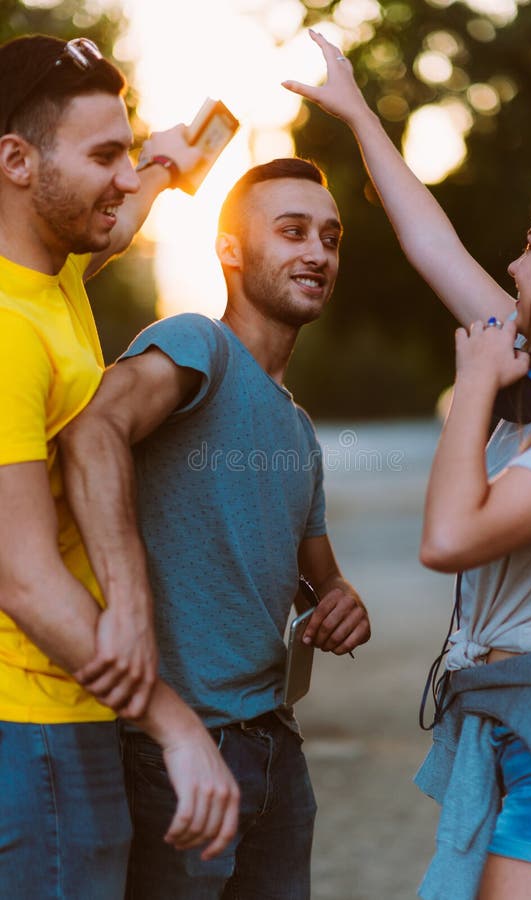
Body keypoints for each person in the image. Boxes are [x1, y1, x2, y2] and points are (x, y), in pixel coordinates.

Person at [284, 32, 531, 900]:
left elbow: (449, 536)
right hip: (523, 734)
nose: (509, 262)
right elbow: (431, 241)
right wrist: (354, 114)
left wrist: (470, 390)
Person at [59, 156, 371, 899]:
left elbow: (313, 579)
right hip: (174, 754)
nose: (316, 253)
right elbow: (92, 427)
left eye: (329, 238)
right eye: (291, 232)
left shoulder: (295, 430)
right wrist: (129, 601)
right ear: (230, 250)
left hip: (276, 751)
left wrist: (337, 600)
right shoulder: (199, 345)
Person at [0, 33, 238, 900]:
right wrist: (175, 727)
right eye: (105, 154)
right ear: (16, 160)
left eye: (126, 152)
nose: (124, 176)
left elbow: (119, 214)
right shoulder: (6, 332)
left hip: (64, 719)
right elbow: (23, 578)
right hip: (31, 732)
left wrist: (168, 163)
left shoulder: (48, 278)